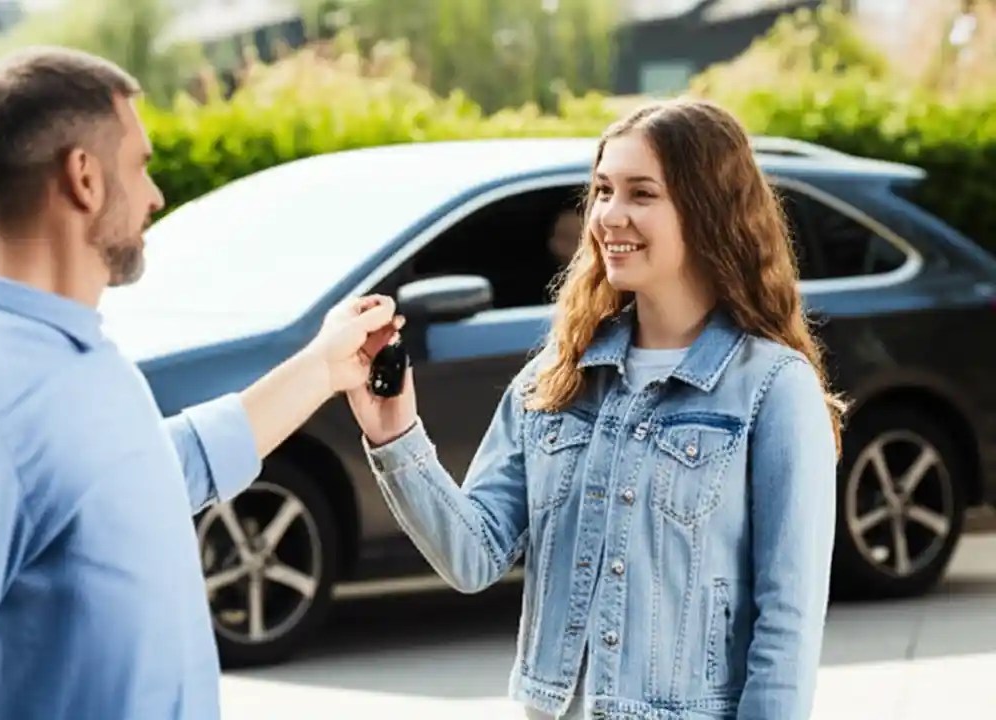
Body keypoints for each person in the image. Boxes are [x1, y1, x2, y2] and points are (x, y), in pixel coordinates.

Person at [0, 46, 402, 720]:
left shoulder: (88, 359)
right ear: (83, 177)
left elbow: (160, 475)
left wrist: (323, 367)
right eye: (140, 165)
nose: (155, 195)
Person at [347, 98, 843, 720]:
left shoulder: (772, 387)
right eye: (603, 190)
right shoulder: (559, 374)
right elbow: (472, 558)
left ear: (708, 210)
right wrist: (395, 435)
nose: (610, 215)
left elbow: (788, 622)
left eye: (641, 193)